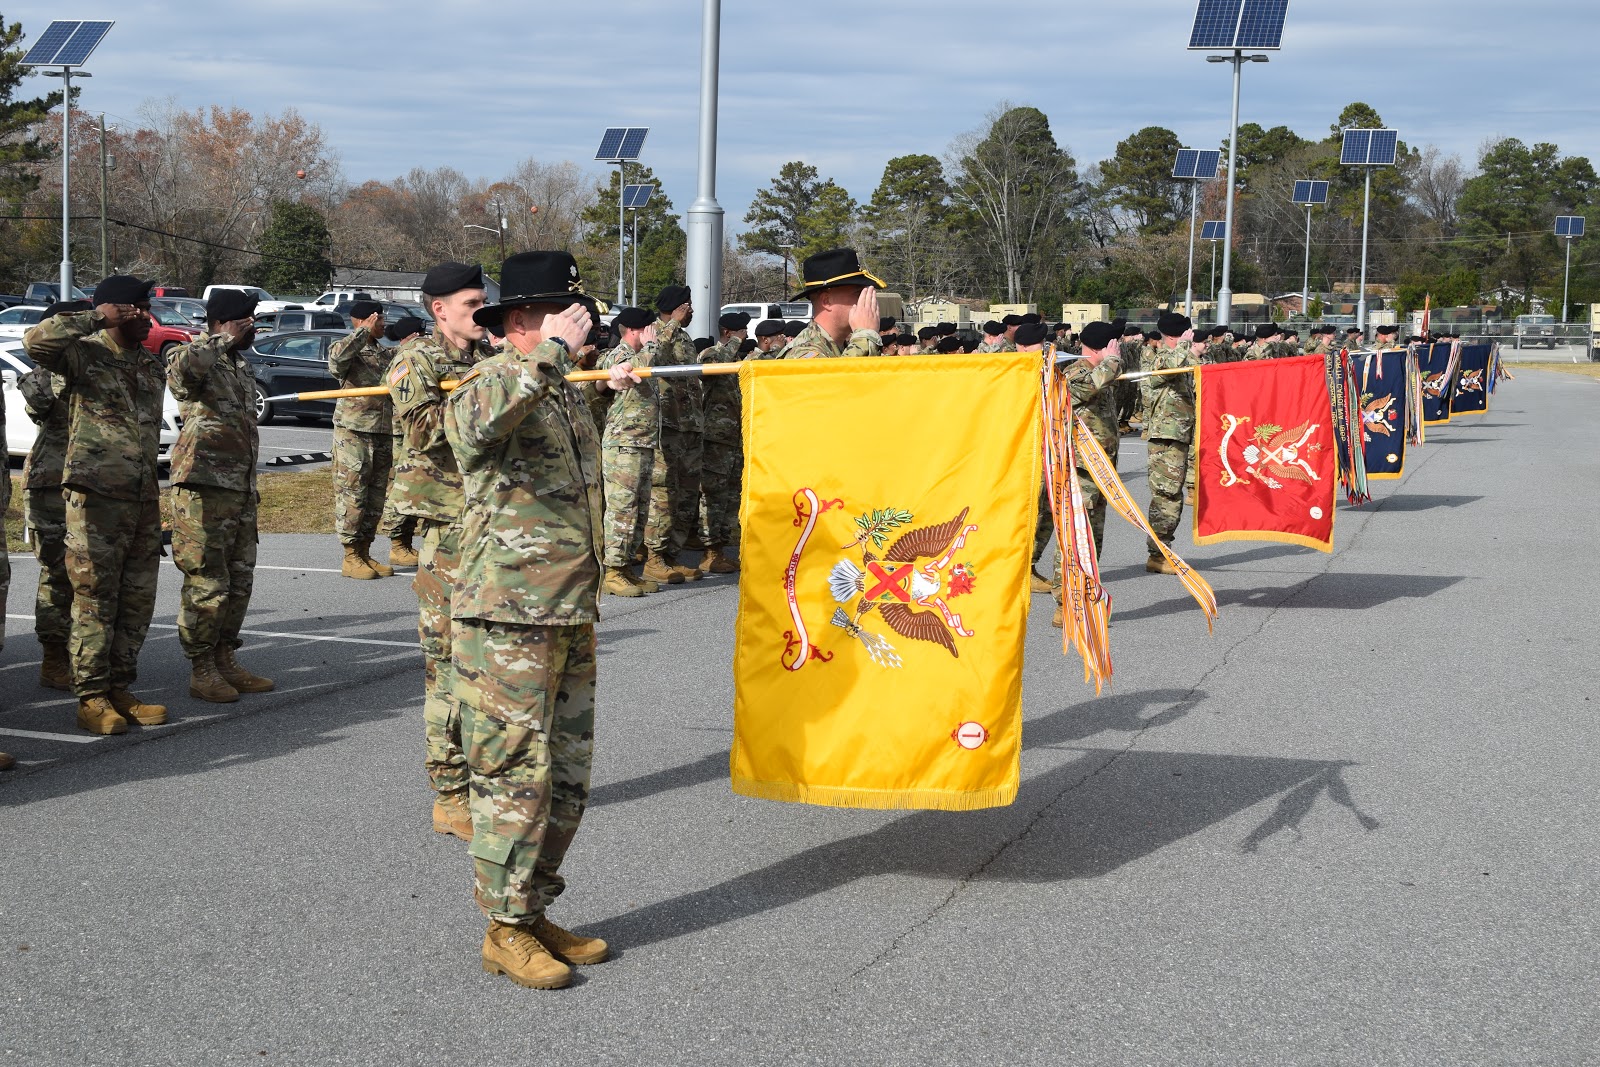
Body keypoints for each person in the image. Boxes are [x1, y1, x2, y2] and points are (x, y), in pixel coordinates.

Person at [443, 250, 639, 991]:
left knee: (565, 778)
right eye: (564, 312)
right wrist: (555, 353)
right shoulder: (492, 377)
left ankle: (529, 911)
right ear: (522, 320)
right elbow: (472, 431)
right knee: (513, 776)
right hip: (507, 619)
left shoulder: (552, 388)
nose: (579, 323)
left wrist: (605, 389)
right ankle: (502, 928)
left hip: (564, 611)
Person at [23, 277, 166, 734]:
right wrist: (94, 316)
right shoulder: (85, 353)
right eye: (140, 308)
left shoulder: (149, 363)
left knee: (136, 601)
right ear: (117, 310)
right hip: (95, 497)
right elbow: (37, 342)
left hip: (142, 496)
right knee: (94, 600)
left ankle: (121, 687)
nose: (149, 316)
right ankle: (92, 697)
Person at [388, 262, 496, 841]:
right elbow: (426, 430)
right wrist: (491, 398)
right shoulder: (416, 361)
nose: (482, 310)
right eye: (472, 301)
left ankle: (488, 776)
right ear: (440, 309)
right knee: (448, 665)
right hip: (448, 533)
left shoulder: (484, 361)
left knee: (488, 662)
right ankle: (450, 791)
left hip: (492, 525)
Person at [166, 289, 274, 703]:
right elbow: (180, 375)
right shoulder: (195, 354)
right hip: (203, 488)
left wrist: (232, 343)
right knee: (206, 580)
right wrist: (224, 337)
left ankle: (225, 655)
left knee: (239, 580)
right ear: (229, 322)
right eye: (249, 320)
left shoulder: (239, 365)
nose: (255, 328)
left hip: (240, 488)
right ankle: (202, 667)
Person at [1028, 320, 1122, 627]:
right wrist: (1113, 358)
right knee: (1074, 537)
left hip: (1097, 469)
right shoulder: (1074, 372)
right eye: (1112, 344)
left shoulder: (1097, 370)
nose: (1117, 349)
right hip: (1077, 470)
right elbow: (1095, 383)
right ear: (1103, 346)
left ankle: (1083, 597)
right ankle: (1065, 603)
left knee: (1092, 539)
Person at [17, 299, 91, 691]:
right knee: (58, 574)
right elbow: (41, 404)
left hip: (89, 481)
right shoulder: (43, 373)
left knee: (91, 574)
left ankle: (86, 655)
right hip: (50, 481)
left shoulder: (95, 365)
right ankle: (54, 659)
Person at [329, 299, 403, 579]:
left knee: (374, 497)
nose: (384, 324)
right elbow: (336, 364)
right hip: (354, 432)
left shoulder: (384, 352)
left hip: (383, 430)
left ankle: (364, 551)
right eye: (379, 319)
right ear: (362, 320)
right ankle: (350, 556)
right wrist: (362, 332)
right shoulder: (348, 347)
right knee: (353, 494)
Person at [640, 285, 702, 586]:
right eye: (687, 306)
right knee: (663, 492)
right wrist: (673, 323)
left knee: (687, 492)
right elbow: (653, 358)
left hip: (690, 424)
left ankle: (672, 553)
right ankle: (653, 557)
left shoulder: (685, 337)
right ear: (677, 307)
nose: (691, 311)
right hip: (668, 424)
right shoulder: (655, 330)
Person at [599, 307, 663, 597]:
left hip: (643, 442)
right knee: (622, 508)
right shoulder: (618, 356)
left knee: (639, 508)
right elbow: (634, 371)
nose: (654, 333)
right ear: (636, 330)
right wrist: (651, 345)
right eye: (649, 328)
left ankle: (625, 568)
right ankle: (612, 570)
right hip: (624, 444)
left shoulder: (640, 352)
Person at [1143, 313, 1200, 574]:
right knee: (1166, 496)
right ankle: (1157, 553)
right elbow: (1166, 371)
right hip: (1166, 436)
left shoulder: (1181, 354)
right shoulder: (1164, 356)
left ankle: (1161, 550)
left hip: (1180, 433)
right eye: (1186, 334)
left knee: (1172, 496)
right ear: (1174, 336)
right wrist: (1186, 346)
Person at [696, 312, 749, 574]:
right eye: (742, 331)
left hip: (735, 438)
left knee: (730, 496)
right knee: (713, 495)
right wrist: (735, 344)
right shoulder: (711, 354)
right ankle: (709, 551)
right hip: (716, 438)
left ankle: (723, 548)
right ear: (729, 332)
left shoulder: (737, 358)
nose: (746, 335)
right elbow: (710, 370)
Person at [781, 248, 884, 360]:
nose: (866, 301)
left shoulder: (841, 347)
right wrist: (865, 336)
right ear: (826, 301)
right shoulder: (803, 354)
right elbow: (844, 377)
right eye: (858, 293)